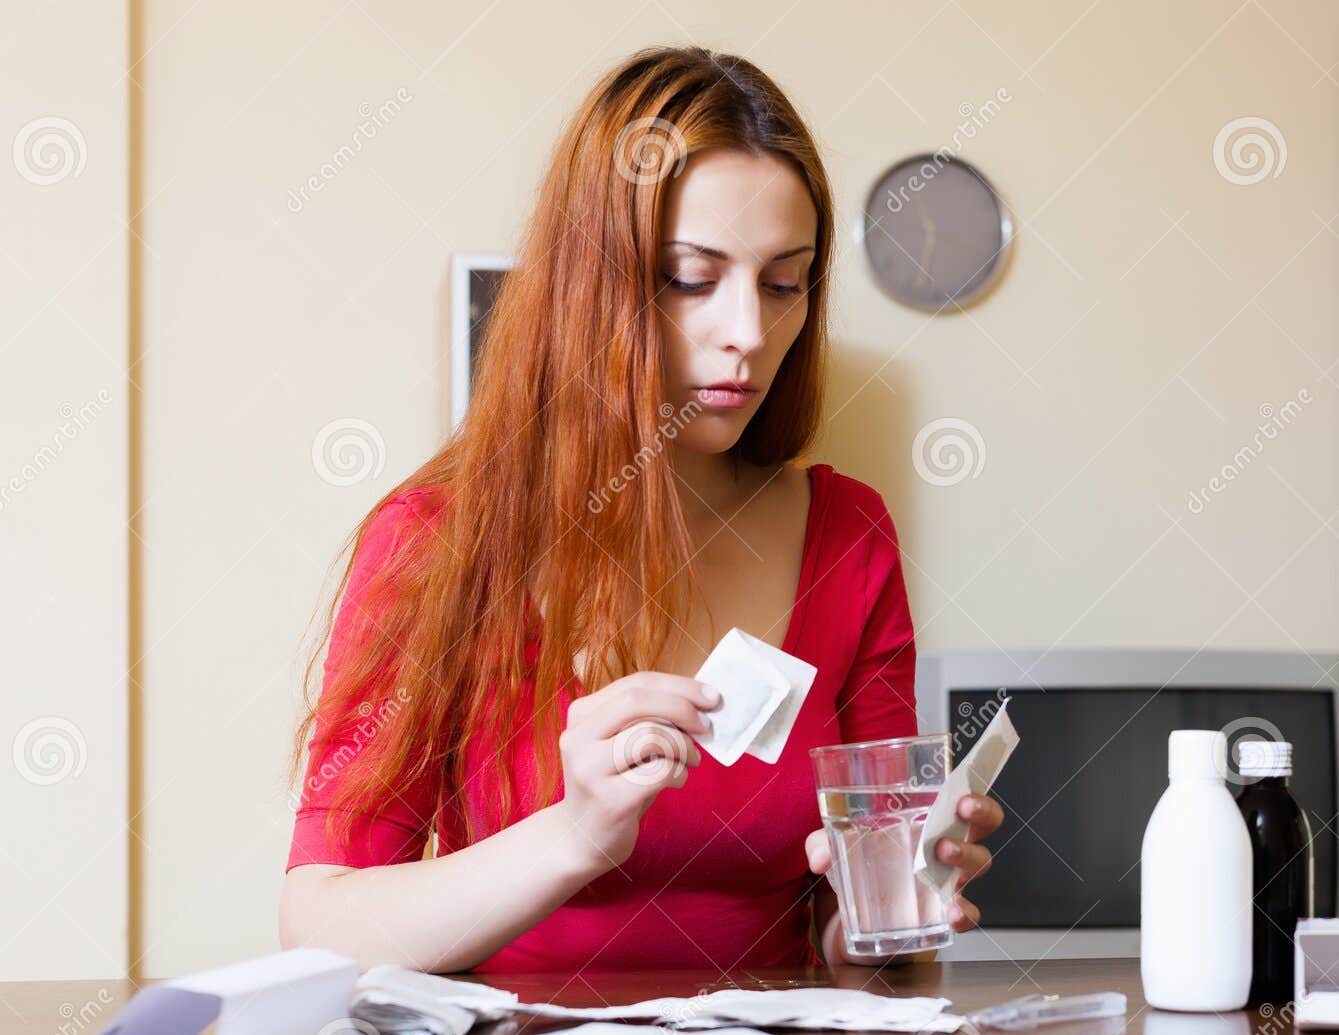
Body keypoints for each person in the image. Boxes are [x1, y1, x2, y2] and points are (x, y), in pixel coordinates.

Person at [278, 45, 1004, 974]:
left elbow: (869, 961)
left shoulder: (847, 535)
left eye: (785, 283)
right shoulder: (437, 543)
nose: (748, 330)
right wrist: (574, 835)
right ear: (590, 286)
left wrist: (896, 906)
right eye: (691, 278)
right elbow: (317, 930)